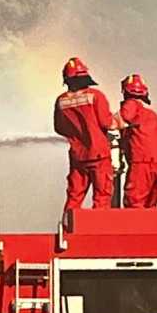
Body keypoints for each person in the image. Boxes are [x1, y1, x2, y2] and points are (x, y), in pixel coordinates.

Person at [53, 56, 120, 211]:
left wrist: (77, 135)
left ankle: (69, 230)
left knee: (74, 197)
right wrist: (119, 123)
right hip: (99, 155)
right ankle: (99, 231)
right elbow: (107, 123)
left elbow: (59, 128)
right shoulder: (95, 96)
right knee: (102, 197)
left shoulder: (61, 101)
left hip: (78, 157)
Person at [118, 74, 157, 208]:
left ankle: (134, 229)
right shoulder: (151, 115)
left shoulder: (131, 105)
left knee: (134, 203)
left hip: (143, 162)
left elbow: (120, 120)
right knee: (150, 206)